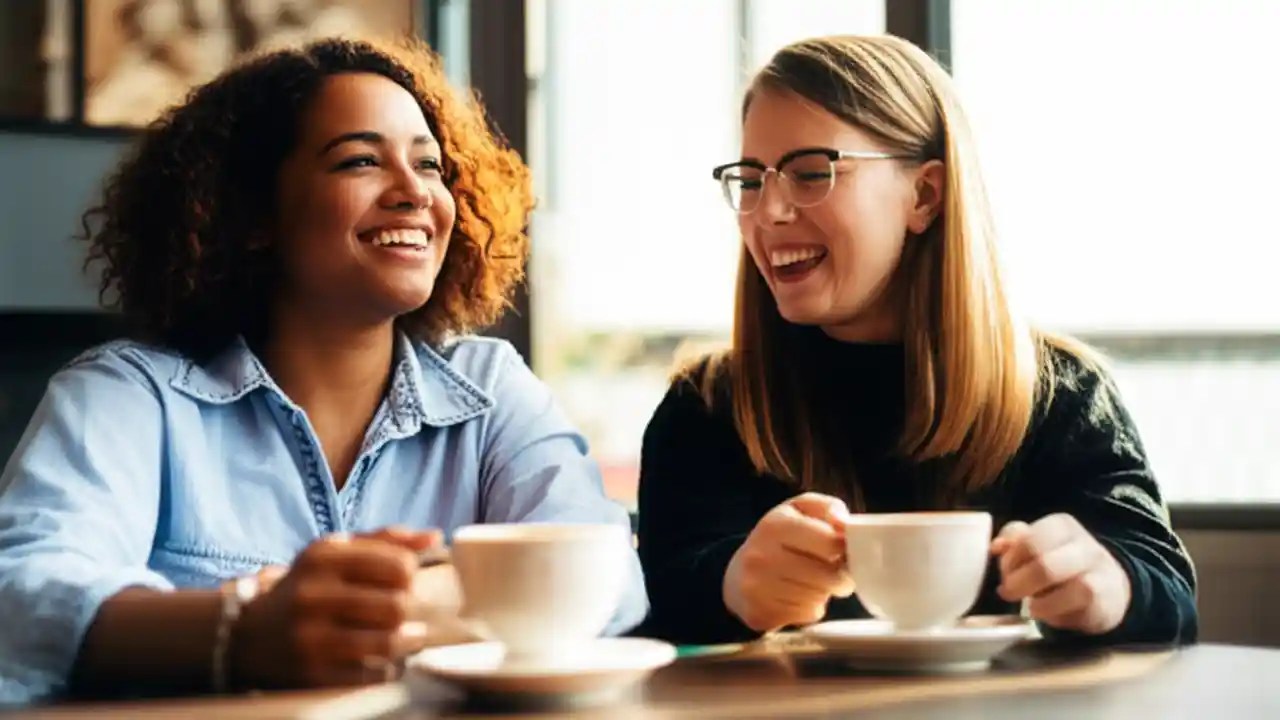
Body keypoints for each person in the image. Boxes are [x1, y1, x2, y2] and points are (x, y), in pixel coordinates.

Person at [0, 36, 645, 704]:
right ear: (253, 216)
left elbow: (610, 582)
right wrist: (241, 633)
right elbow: (19, 598)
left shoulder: (491, 389)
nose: (415, 193)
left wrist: (384, 612)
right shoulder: (128, 395)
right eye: (361, 160)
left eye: (429, 165)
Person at [636, 35, 1196, 646]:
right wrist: (732, 586)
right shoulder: (709, 408)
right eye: (750, 180)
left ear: (924, 195)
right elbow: (649, 611)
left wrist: (1112, 587)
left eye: (811, 173)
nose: (767, 211)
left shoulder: (1060, 393)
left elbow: (1169, 599)